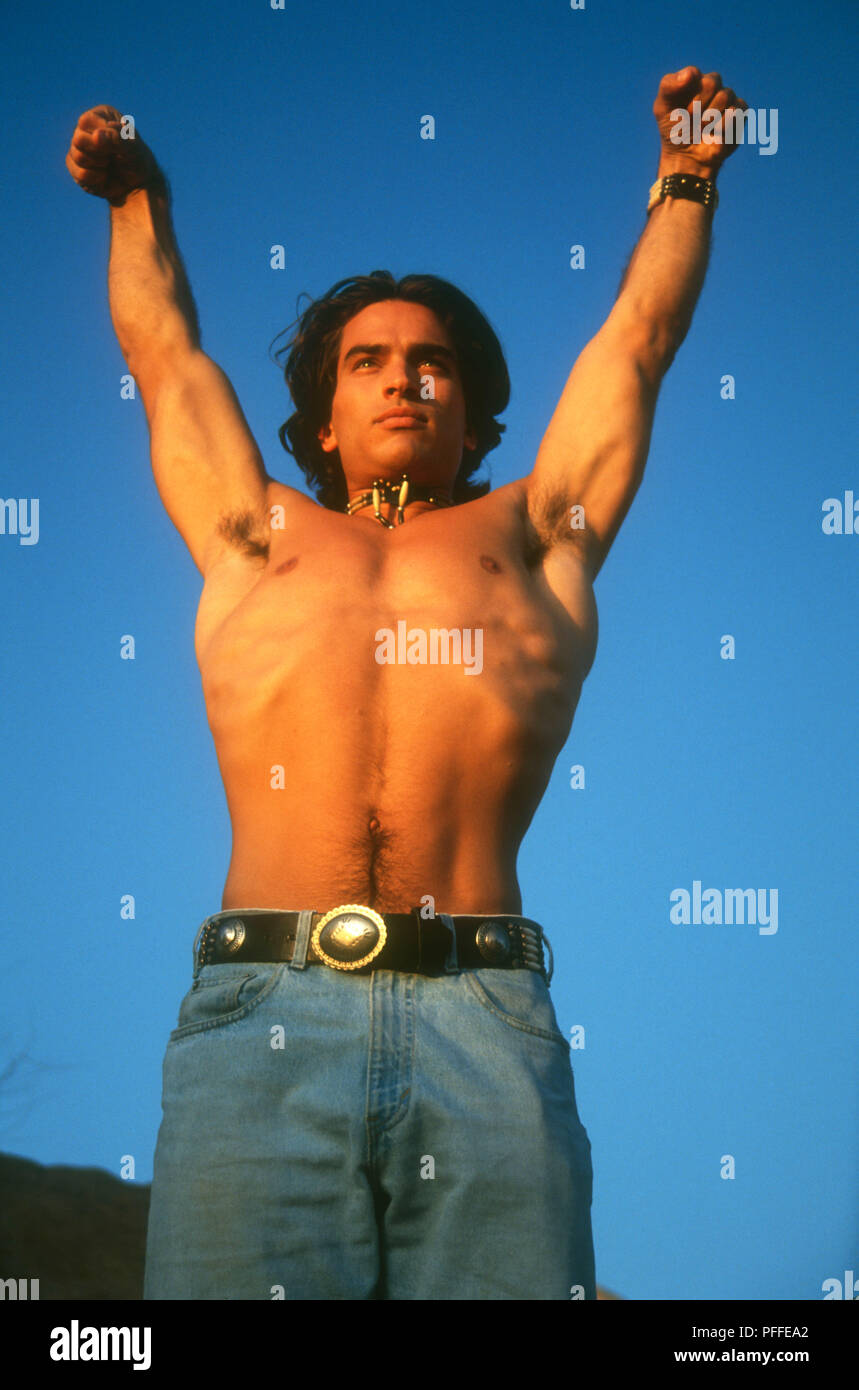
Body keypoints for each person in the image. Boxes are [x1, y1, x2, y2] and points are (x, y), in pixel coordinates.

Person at [65, 66, 746, 1300]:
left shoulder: (538, 532)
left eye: (433, 364)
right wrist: (137, 198)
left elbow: (638, 347)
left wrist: (689, 174)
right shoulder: (251, 529)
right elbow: (161, 355)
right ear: (321, 418)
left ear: (480, 420)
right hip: (256, 1013)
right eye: (368, 360)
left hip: (482, 1014)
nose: (402, 377)